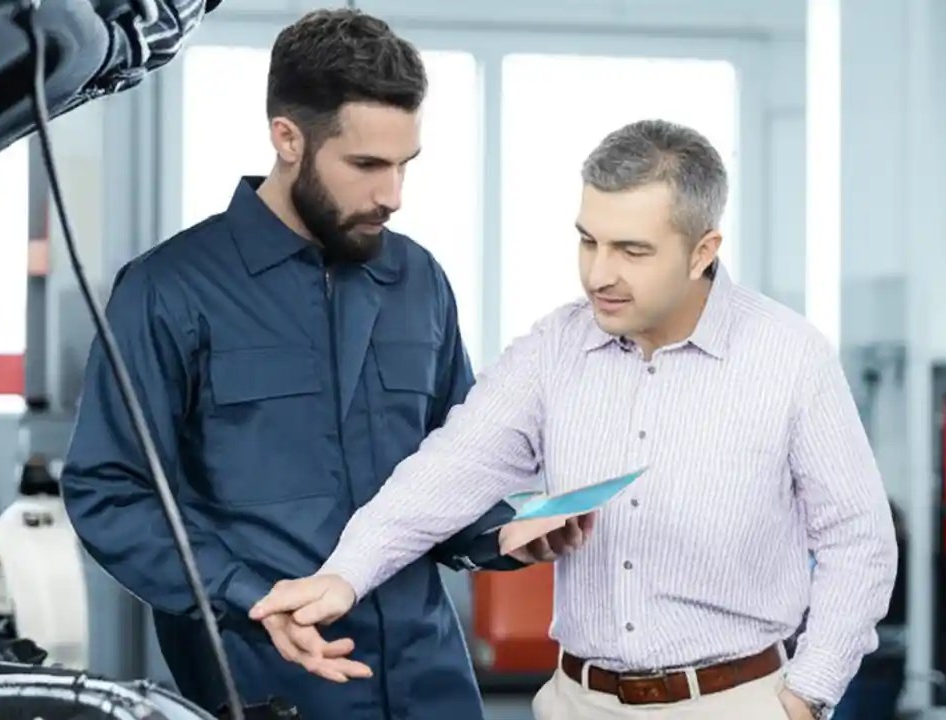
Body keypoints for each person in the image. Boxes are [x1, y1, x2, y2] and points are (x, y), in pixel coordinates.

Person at [250, 118, 900, 720]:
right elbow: (449, 470)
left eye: (632, 250)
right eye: (588, 240)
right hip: (576, 701)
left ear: (703, 250)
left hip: (735, 701)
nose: (599, 274)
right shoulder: (555, 347)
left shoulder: (789, 355)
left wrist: (810, 693)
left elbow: (858, 539)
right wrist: (343, 573)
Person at [60, 9, 588, 720]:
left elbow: (457, 466)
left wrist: (507, 532)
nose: (392, 195)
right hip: (263, 680)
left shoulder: (418, 280)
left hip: (429, 681)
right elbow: (109, 492)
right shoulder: (169, 290)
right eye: (367, 166)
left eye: (405, 165)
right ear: (288, 139)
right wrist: (246, 593)